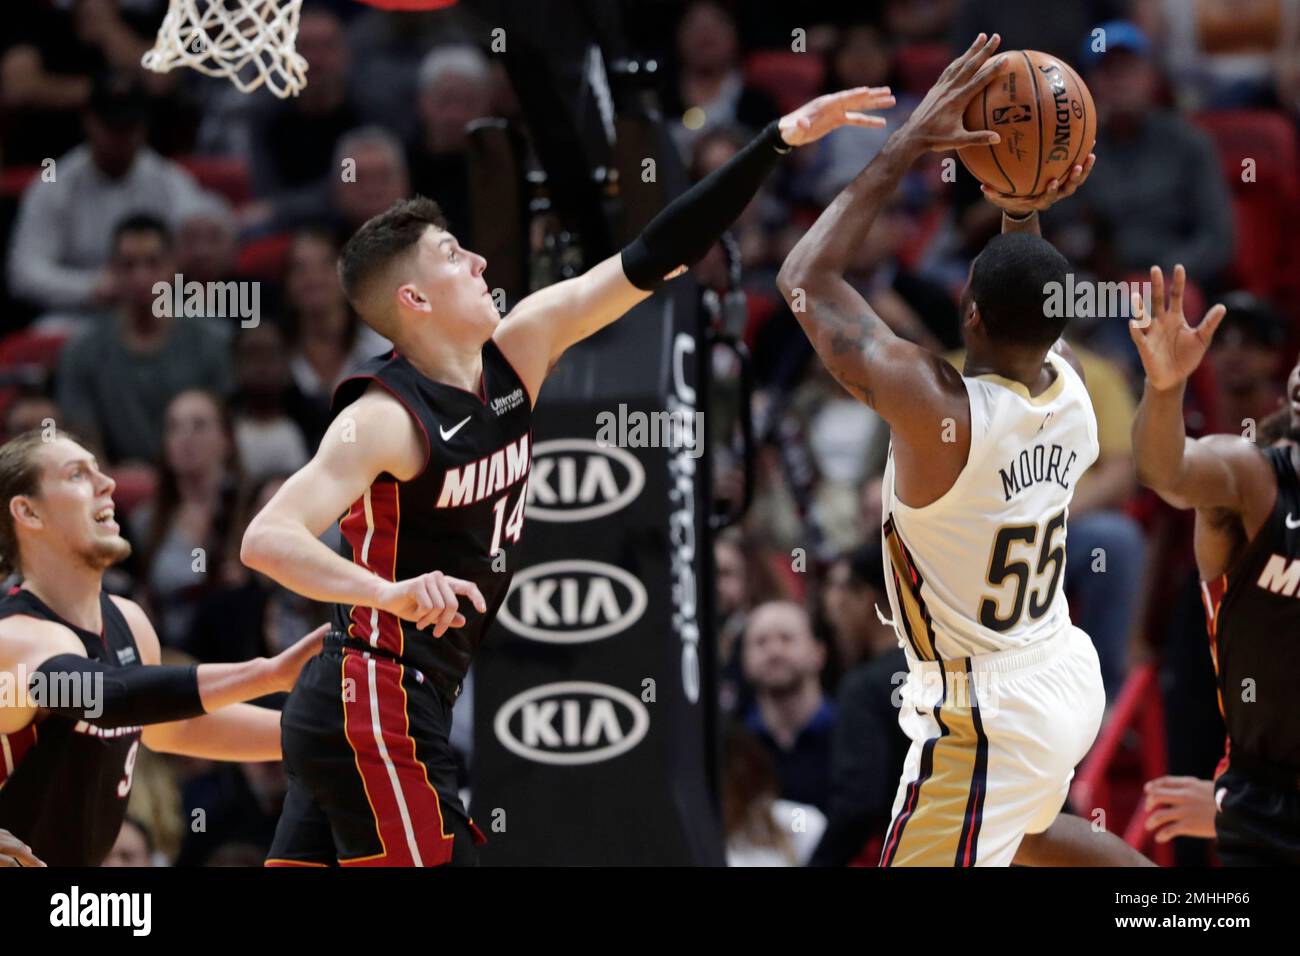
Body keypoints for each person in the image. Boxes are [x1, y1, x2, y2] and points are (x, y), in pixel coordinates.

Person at [240, 85, 895, 867]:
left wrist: (778, 138)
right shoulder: (382, 418)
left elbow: (655, 253)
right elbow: (265, 539)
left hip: (385, 704)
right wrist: (386, 594)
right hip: (372, 699)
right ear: (413, 299)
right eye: (453, 255)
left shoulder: (521, 346)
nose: (480, 259)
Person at [777, 34, 1148, 866]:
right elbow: (1028, 285)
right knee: (1035, 838)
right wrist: (1026, 195)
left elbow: (803, 277)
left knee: (1012, 837)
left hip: (984, 710)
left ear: (969, 316)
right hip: (1057, 666)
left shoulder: (934, 408)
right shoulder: (1070, 391)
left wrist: (905, 144)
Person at [0, 430, 325, 866]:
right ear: (28, 512)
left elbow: (175, 727)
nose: (107, 483)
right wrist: (269, 673)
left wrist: (323, 735)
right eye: (77, 474)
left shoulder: (129, 622)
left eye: (100, 469)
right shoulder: (17, 638)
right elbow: (108, 697)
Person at [1130, 266, 1300, 865]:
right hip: (1264, 790)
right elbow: (1166, 470)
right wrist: (1165, 386)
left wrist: (1239, 811)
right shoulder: (1254, 476)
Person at [54, 215, 233, 467]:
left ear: (173, 267)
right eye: (128, 265)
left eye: (152, 263)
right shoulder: (81, 350)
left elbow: (224, 432)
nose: (140, 277)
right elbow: (82, 442)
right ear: (112, 270)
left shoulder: (212, 342)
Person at [741, 601, 835, 812]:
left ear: (818, 653)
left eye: (787, 638)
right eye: (760, 642)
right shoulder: (736, 744)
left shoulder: (849, 735)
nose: (774, 651)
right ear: (744, 659)